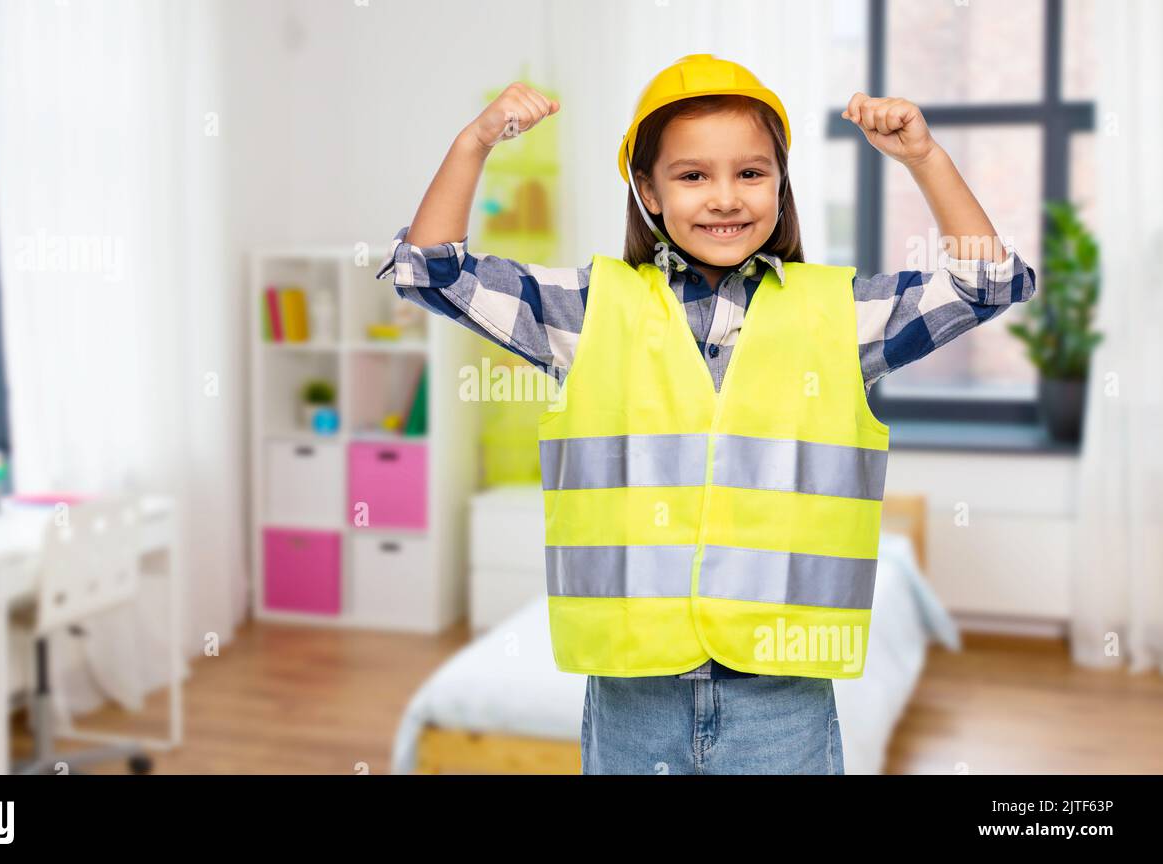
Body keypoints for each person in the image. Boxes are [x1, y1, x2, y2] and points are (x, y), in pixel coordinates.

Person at [377, 55, 1036, 775]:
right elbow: (428, 270)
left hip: (782, 691)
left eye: (751, 174)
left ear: (781, 187)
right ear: (649, 192)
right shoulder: (587, 311)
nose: (725, 197)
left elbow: (987, 284)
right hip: (632, 688)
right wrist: (475, 142)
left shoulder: (840, 316)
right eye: (693, 176)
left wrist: (925, 159)